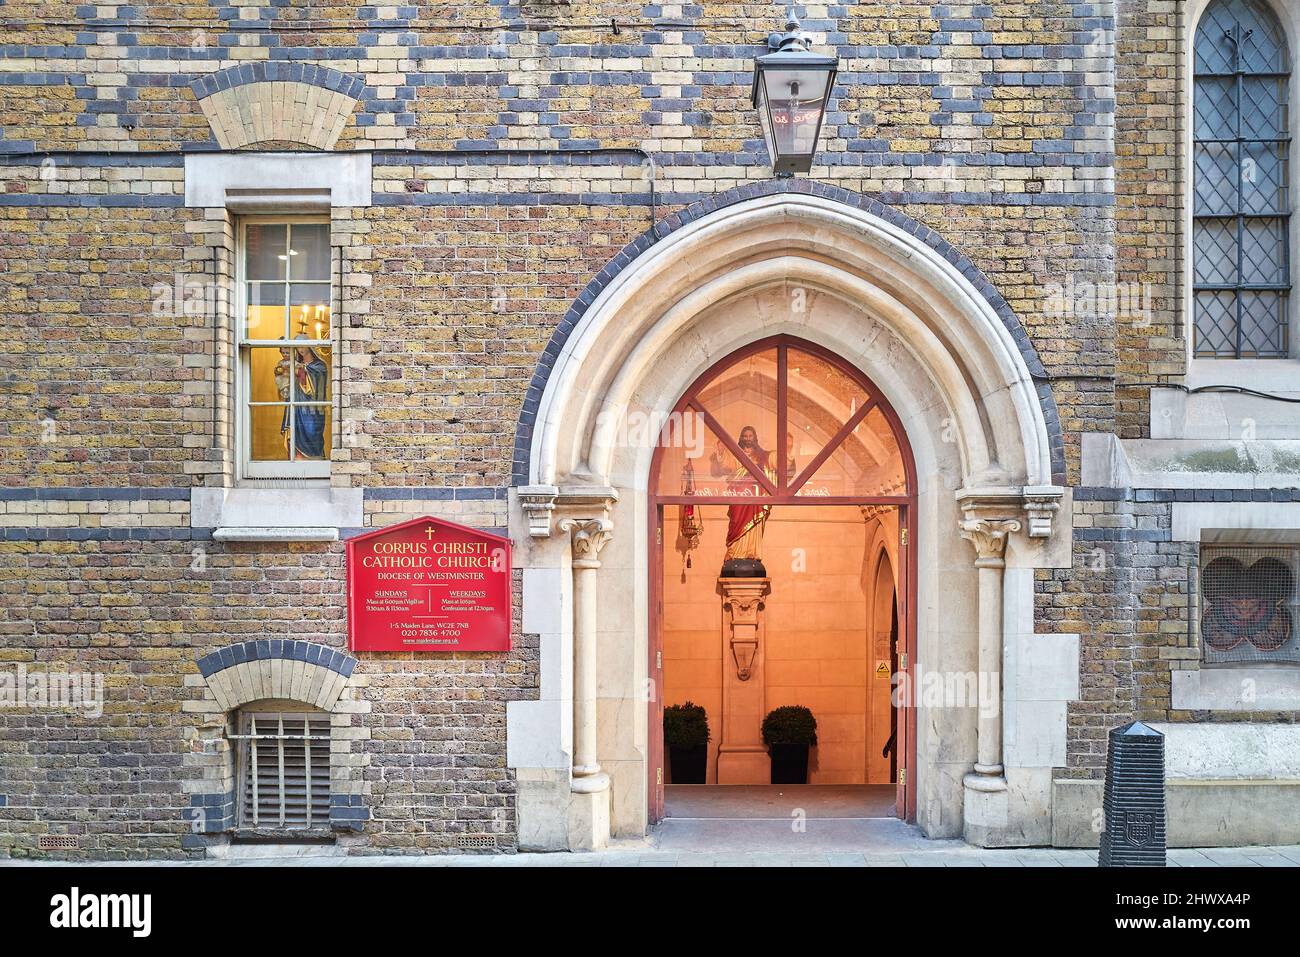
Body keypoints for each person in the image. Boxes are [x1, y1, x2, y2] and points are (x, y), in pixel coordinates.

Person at [710, 425, 777, 576]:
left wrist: (787, 451)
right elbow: (725, 466)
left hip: (756, 498)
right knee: (736, 521)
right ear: (741, 438)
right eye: (745, 436)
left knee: (754, 525)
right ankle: (734, 553)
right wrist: (720, 452)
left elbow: (774, 460)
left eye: (750, 436)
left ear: (755, 438)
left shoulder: (762, 455)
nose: (748, 438)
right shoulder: (736, 454)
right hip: (739, 496)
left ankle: (752, 553)